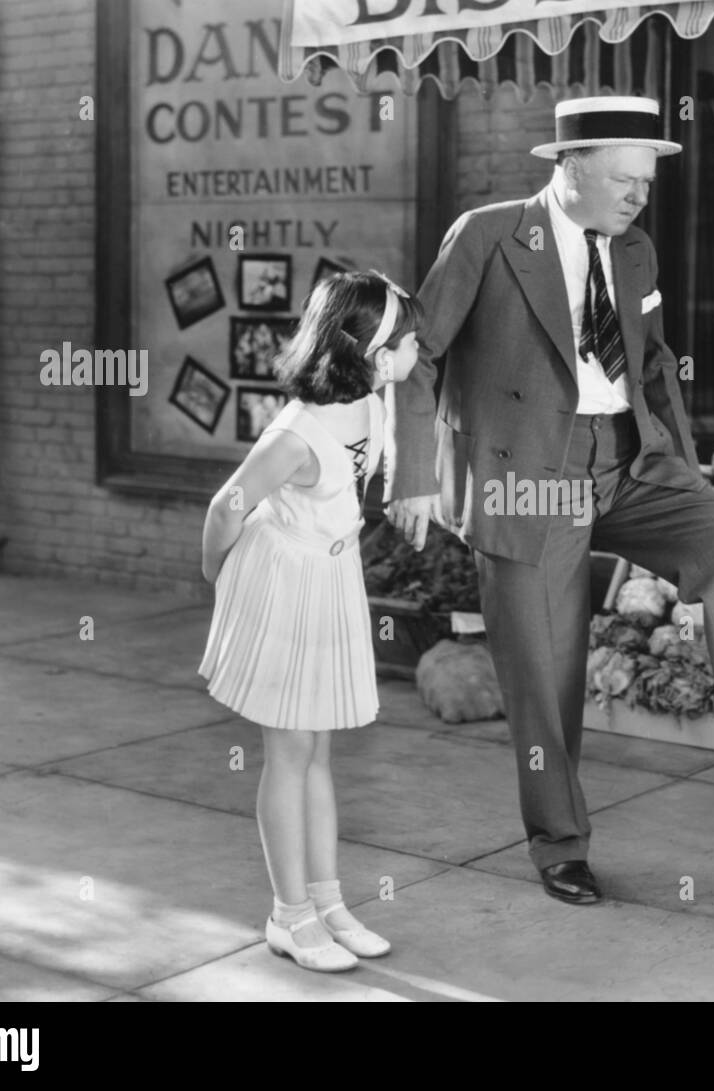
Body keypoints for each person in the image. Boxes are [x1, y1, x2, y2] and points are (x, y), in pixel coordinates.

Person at [383, 97, 714, 907]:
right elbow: (417, 352)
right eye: (623, 178)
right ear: (568, 167)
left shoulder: (635, 250)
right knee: (549, 673)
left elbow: (652, 364)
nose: (640, 196)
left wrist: (681, 459)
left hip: (629, 457)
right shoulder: (489, 235)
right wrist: (412, 472)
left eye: (646, 181)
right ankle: (560, 844)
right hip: (527, 473)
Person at [200, 270, 422, 967]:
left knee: (318, 751)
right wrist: (222, 578)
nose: (420, 350)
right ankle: (287, 914)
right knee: (289, 753)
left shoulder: (372, 400)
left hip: (332, 575)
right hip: (286, 581)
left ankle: (326, 901)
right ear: (378, 353)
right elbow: (227, 505)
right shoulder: (296, 433)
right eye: (411, 340)